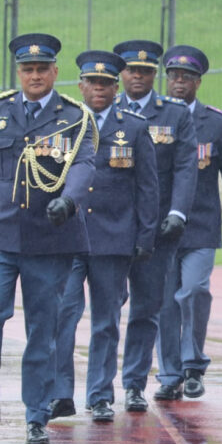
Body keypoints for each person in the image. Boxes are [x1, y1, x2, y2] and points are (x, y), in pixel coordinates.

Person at [0, 33, 97, 444]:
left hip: (50, 238)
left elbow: (84, 164)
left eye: (42, 69)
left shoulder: (74, 117)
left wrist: (69, 201)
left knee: (43, 330)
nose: (35, 76)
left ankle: (36, 415)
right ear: (19, 72)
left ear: (55, 72)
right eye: (27, 69)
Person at [50, 50, 159, 423]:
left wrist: (145, 236)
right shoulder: (64, 124)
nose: (99, 88)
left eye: (106, 83)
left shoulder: (135, 128)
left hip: (112, 238)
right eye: (92, 82)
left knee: (106, 321)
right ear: (80, 86)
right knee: (63, 315)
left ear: (116, 88)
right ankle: (60, 393)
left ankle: (99, 395)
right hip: (67, 236)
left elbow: (148, 188)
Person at [154, 45, 222, 401]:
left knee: (194, 291)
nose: (179, 83)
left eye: (187, 77)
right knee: (164, 302)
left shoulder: (216, 123)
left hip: (200, 227)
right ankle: (169, 373)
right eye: (174, 76)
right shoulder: (153, 119)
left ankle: (193, 365)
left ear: (198, 82)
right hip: (160, 228)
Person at [112, 39, 198, 411]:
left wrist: (178, 213)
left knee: (147, 308)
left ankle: (134, 384)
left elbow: (185, 168)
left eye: (146, 72)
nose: (139, 77)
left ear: (154, 75)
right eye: (132, 71)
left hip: (157, 228)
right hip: (111, 226)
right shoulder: (105, 110)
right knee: (106, 309)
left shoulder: (174, 114)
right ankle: (98, 389)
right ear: (122, 74)